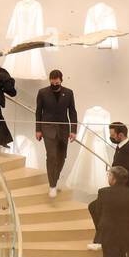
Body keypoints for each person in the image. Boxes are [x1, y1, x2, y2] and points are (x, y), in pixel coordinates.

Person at [88, 165, 129, 257]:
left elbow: (98, 211)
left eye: (109, 175)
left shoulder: (103, 192)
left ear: (114, 179)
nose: (108, 178)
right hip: (126, 232)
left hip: (108, 232)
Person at [35, 69, 77, 198]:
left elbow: (72, 112)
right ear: (50, 80)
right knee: (52, 156)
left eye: (57, 82)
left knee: (61, 157)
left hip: (64, 129)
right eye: (52, 82)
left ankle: (55, 179)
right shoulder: (42, 92)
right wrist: (38, 129)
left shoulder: (69, 93)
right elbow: (38, 112)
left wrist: (73, 131)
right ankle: (52, 185)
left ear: (61, 80)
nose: (55, 84)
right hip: (48, 128)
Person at [109, 121, 129, 194]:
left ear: (120, 135)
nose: (111, 137)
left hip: (124, 192)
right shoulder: (120, 146)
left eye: (113, 135)